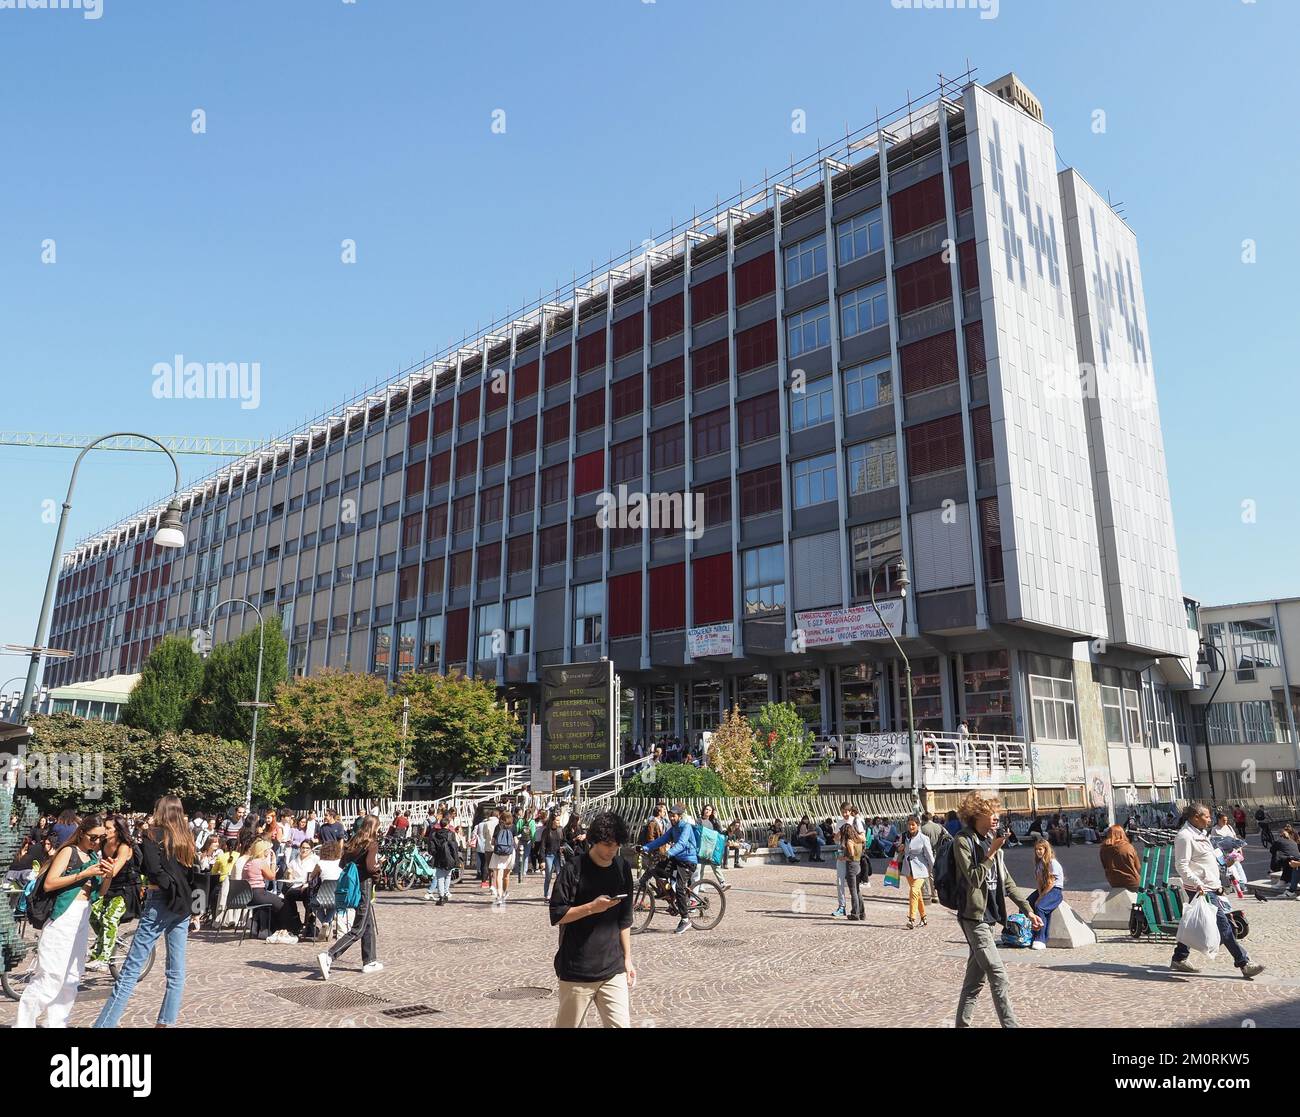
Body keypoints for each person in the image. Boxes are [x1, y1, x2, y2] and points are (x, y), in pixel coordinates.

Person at [95, 795, 197, 1028]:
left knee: (131, 968)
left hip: (160, 899)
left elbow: (152, 869)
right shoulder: (186, 838)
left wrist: (167, 887)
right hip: (182, 904)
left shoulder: (153, 834)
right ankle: (165, 1023)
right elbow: (192, 873)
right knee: (176, 970)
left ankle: (104, 1025)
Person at [951, 791, 1042, 1028]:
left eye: (997, 815)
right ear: (976, 814)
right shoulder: (963, 841)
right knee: (998, 975)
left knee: (974, 983)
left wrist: (1028, 910)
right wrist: (991, 851)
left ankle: (962, 1025)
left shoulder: (994, 843)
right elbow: (973, 877)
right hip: (974, 918)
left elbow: (1007, 882)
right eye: (991, 814)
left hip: (990, 919)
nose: (995, 819)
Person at [16, 814, 109, 1028]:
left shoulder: (94, 857)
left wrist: (109, 875)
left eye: (101, 838)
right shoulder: (69, 851)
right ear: (82, 833)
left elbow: (99, 893)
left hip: (83, 914)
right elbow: (50, 883)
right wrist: (82, 874)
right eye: (93, 838)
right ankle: (23, 1023)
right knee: (51, 973)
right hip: (63, 916)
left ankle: (56, 1022)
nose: (97, 842)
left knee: (72, 975)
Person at [550, 811, 635, 1028]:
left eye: (616, 845)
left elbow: (624, 919)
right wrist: (591, 908)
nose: (612, 850)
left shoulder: (622, 868)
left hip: (612, 968)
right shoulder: (573, 868)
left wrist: (628, 959)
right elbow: (557, 915)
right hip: (577, 970)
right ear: (594, 840)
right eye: (608, 845)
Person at [1169, 803, 1263, 978]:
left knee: (1195, 922)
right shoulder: (1185, 836)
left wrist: (1225, 862)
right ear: (1195, 817)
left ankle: (1179, 957)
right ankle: (1244, 963)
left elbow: (1207, 859)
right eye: (1207, 816)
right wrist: (1197, 883)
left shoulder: (1201, 834)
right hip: (1202, 889)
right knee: (1224, 926)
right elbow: (1181, 865)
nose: (1210, 819)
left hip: (1212, 886)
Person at [318, 815, 383, 979]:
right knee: (358, 928)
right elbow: (370, 867)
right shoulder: (371, 843)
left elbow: (342, 864)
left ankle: (369, 960)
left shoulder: (353, 842)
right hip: (364, 885)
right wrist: (380, 866)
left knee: (367, 923)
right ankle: (329, 955)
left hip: (352, 885)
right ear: (374, 827)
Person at [86, 815, 137, 971]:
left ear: (118, 830)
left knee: (109, 917)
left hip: (124, 890)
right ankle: (105, 942)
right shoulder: (103, 843)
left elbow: (113, 870)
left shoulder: (124, 846)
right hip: (107, 887)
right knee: (93, 913)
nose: (105, 830)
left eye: (108, 828)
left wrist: (98, 869)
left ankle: (104, 959)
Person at [642, 803, 698, 935]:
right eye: (670, 816)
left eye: (674, 816)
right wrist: (645, 848)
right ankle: (669, 895)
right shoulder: (673, 829)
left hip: (688, 861)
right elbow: (660, 840)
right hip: (676, 858)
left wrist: (669, 853)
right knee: (657, 868)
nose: (671, 818)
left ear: (680, 816)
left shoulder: (686, 827)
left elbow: (682, 843)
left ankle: (685, 919)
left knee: (679, 887)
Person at [897, 815, 935, 930]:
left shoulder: (924, 838)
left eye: (913, 824)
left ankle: (911, 918)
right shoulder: (904, 836)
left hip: (921, 870)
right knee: (917, 895)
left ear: (918, 825)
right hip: (909, 869)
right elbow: (899, 850)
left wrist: (934, 869)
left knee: (914, 891)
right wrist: (900, 848)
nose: (911, 827)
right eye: (909, 824)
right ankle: (923, 917)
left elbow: (929, 855)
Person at [1025, 840, 1064, 950]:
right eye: (1036, 849)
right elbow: (1038, 881)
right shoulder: (1039, 864)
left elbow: (1051, 883)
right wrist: (1038, 893)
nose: (1038, 851)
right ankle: (1029, 934)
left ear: (1046, 850)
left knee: (1040, 907)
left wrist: (1041, 897)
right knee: (1026, 905)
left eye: (1040, 849)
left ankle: (1041, 938)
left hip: (1054, 890)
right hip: (1043, 889)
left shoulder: (1052, 863)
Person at [424, 818, 460, 904]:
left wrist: (436, 854)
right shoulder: (451, 834)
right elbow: (454, 848)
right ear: (448, 825)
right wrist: (456, 860)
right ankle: (445, 893)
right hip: (449, 858)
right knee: (448, 876)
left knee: (439, 877)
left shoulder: (435, 834)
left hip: (438, 858)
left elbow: (431, 849)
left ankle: (441, 896)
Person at [1099, 825, 1141, 890]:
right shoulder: (1128, 847)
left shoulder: (1103, 849)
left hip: (1114, 882)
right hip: (1132, 882)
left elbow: (1105, 866)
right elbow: (1138, 867)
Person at [838, 819, 865, 921]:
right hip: (858, 865)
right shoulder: (858, 840)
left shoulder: (850, 841)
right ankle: (862, 912)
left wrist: (842, 858)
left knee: (853, 891)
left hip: (851, 866)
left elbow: (851, 855)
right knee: (857, 890)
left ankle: (855, 913)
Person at [490, 810, 517, 905]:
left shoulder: (498, 827)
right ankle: (505, 892)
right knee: (506, 875)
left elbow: (493, 841)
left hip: (498, 853)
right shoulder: (513, 827)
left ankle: (499, 895)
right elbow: (515, 841)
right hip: (509, 853)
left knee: (498, 875)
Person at [473, 809, 499, 889]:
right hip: (498, 847)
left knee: (488, 866)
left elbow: (484, 835)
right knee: (496, 867)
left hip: (487, 846)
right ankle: (496, 884)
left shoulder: (485, 824)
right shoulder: (499, 823)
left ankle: (490, 884)